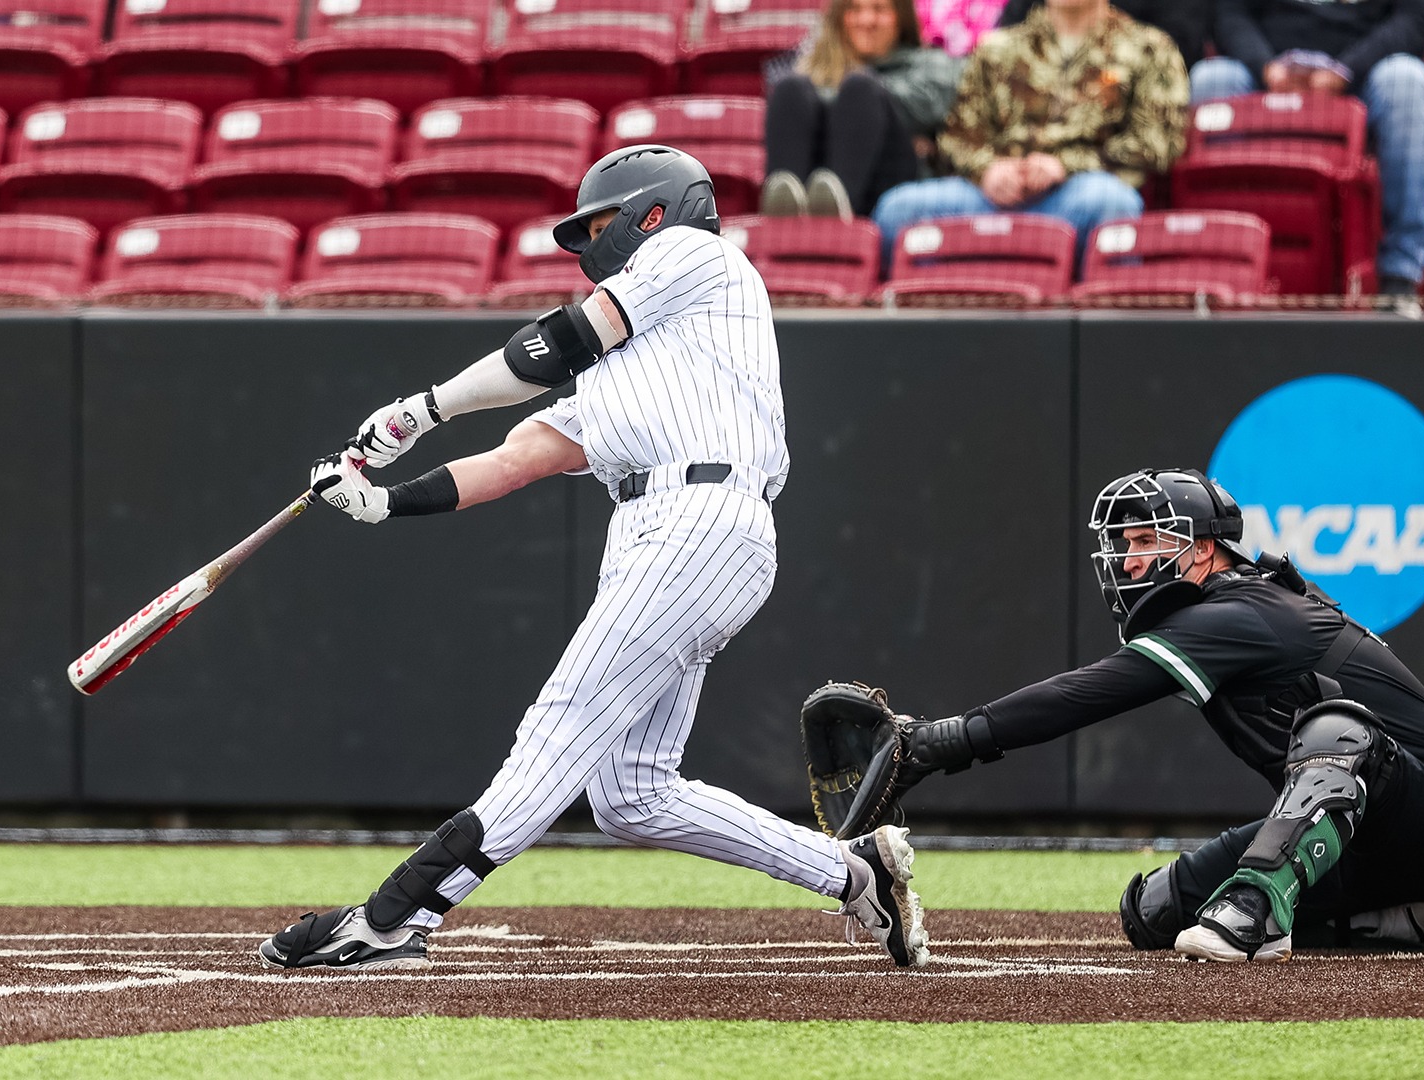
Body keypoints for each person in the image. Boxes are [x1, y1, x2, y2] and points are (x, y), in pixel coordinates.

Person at [257, 145, 931, 974]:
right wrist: (382, 500)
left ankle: (396, 917)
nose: (590, 243)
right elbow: (513, 459)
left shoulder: (695, 256)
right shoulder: (632, 367)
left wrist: (420, 411)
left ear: (655, 210)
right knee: (631, 794)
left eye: (602, 223)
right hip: (661, 532)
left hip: (702, 516)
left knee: (558, 728)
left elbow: (554, 342)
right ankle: (856, 872)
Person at [877, 468, 1424, 962]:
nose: (1129, 560)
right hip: (1372, 840)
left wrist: (942, 741)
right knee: (1153, 913)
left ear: (1203, 548)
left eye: (1144, 542)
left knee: (1338, 730)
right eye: (1124, 544)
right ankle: (1399, 919)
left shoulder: (1241, 608)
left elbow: (1089, 691)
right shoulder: (1229, 606)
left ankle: (1256, 910)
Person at [870, 0, 1188, 261]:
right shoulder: (998, 48)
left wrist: (1064, 166)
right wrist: (988, 171)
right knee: (898, 208)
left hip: (1075, 196)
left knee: (1112, 201)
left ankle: (1104, 326)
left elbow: (1158, 143)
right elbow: (956, 139)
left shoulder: (1149, 48)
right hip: (990, 197)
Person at [1189, 0, 1424, 296]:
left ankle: (1400, 274)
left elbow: (1419, 20)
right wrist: (1266, 67)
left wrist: (1346, 70)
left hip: (1364, 73)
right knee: (1212, 79)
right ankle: (1216, 264)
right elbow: (1228, 13)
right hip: (1269, 71)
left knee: (1406, 81)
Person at [761, 0, 962, 220]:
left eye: (880, 9)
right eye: (854, 10)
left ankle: (838, 211)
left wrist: (855, 102)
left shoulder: (931, 63)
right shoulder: (812, 69)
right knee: (790, 90)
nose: (867, 21)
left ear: (901, 18)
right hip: (817, 174)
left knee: (860, 89)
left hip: (893, 182)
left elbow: (929, 110)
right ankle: (784, 214)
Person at [994, 0, 1209, 68]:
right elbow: (1009, 37)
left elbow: (1180, 46)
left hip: (1121, 95)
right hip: (1027, 131)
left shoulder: (1153, 47)